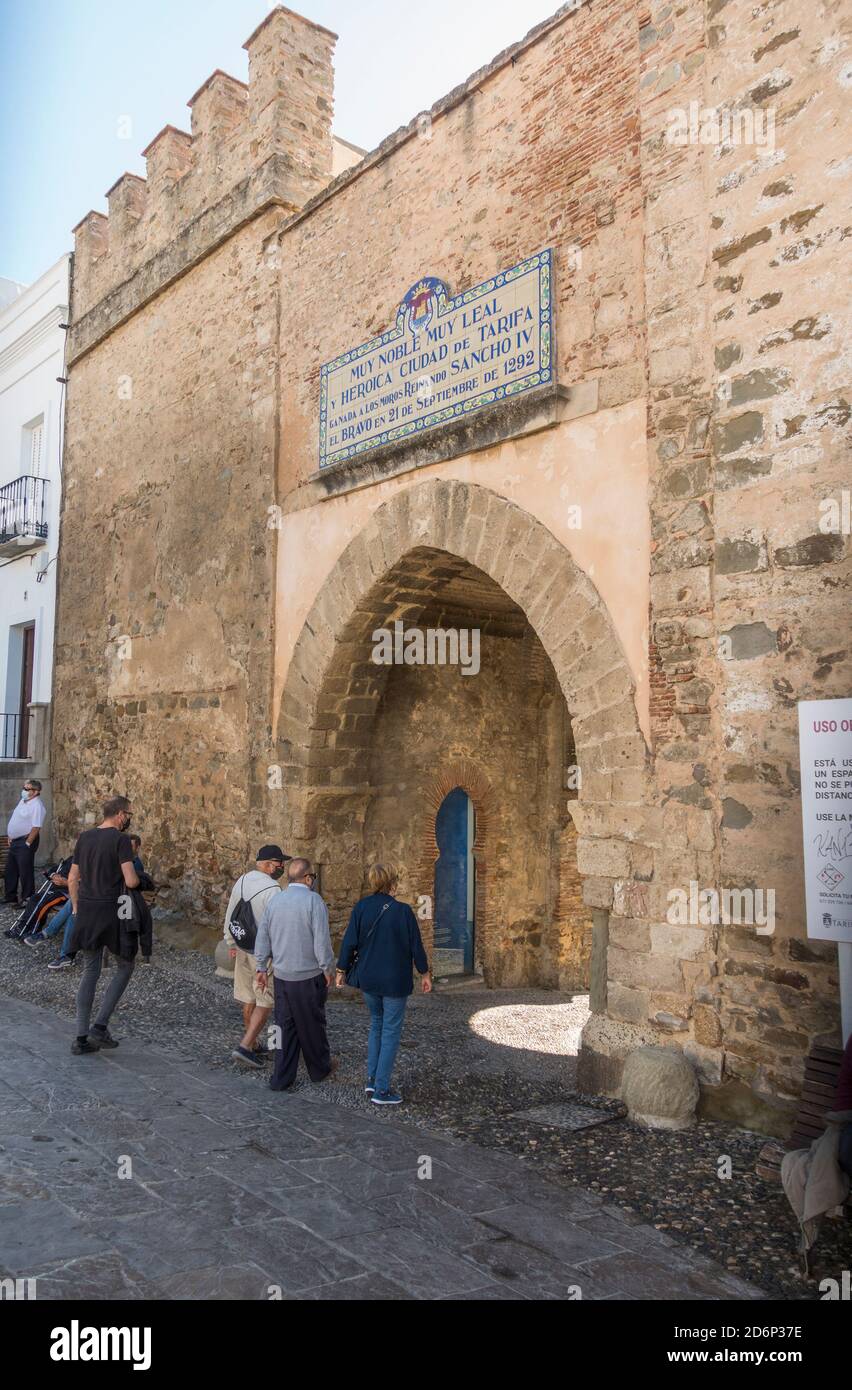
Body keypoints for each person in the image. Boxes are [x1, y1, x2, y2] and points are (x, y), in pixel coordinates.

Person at [336, 863, 431, 1106]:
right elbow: (416, 946)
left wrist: (341, 970)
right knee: (390, 1031)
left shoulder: (362, 907)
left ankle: (372, 1079)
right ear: (392, 883)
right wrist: (425, 973)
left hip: (369, 979)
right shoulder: (403, 912)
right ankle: (382, 1089)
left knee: (377, 1025)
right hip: (394, 981)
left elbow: (349, 943)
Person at [67, 794, 147, 1055]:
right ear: (121, 814)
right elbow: (131, 880)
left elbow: (72, 878)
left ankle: (81, 1038)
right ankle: (100, 1026)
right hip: (113, 912)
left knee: (90, 971)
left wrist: (77, 907)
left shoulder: (85, 838)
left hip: (87, 910)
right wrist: (143, 879)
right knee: (125, 965)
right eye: (129, 815)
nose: (129, 820)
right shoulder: (121, 840)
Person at [254, 857, 336, 1092]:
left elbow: (263, 936)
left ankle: (280, 1075)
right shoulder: (314, 901)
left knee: (281, 1026)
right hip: (308, 976)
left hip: (281, 976)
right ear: (308, 878)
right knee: (313, 1024)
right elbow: (322, 941)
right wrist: (328, 969)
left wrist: (261, 967)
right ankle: (319, 1068)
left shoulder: (276, 901)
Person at [223, 844, 289, 1068]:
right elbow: (277, 927)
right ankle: (246, 1046)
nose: (282, 867)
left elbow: (231, 912)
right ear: (270, 865)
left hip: (242, 946)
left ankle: (253, 1043)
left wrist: (230, 941)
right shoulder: (274, 890)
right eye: (280, 864)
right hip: (263, 955)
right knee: (266, 1001)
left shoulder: (242, 879)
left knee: (249, 997)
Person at [4, 778, 46, 905]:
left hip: (25, 842)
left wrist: (27, 843)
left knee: (25, 871)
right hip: (15, 841)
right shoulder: (24, 801)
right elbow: (18, 819)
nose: (24, 791)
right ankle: (10, 897)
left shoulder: (37, 805)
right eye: (24, 788)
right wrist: (11, 835)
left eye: (27, 789)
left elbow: (36, 827)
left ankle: (28, 899)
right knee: (10, 870)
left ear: (35, 791)